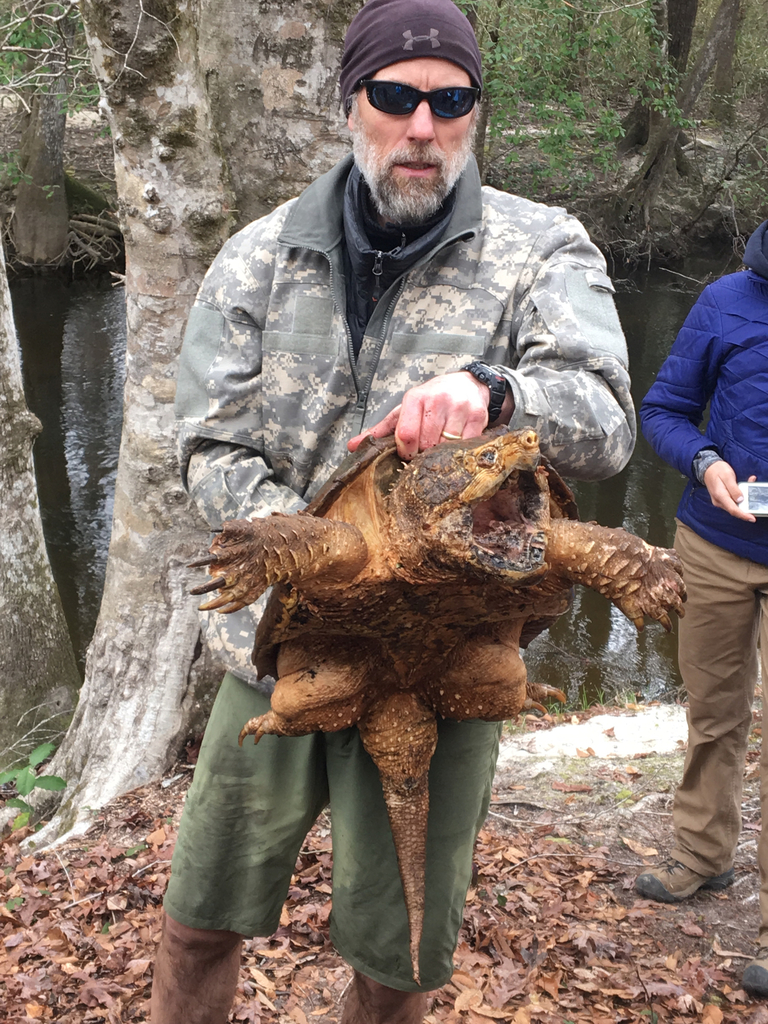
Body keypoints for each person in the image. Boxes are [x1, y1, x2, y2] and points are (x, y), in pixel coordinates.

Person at [155, 1, 635, 1020]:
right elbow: (204, 441)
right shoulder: (256, 257)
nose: (423, 126)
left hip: (450, 649)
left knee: (399, 953)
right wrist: (329, 557)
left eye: (450, 100)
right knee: (199, 920)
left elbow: (605, 425)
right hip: (283, 644)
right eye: (397, 97)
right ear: (352, 106)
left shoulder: (542, 251)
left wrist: (503, 392)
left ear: (474, 114)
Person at [636, 219, 768, 999]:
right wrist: (706, 461)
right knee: (713, 712)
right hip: (714, 544)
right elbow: (662, 413)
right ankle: (700, 855)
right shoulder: (725, 300)